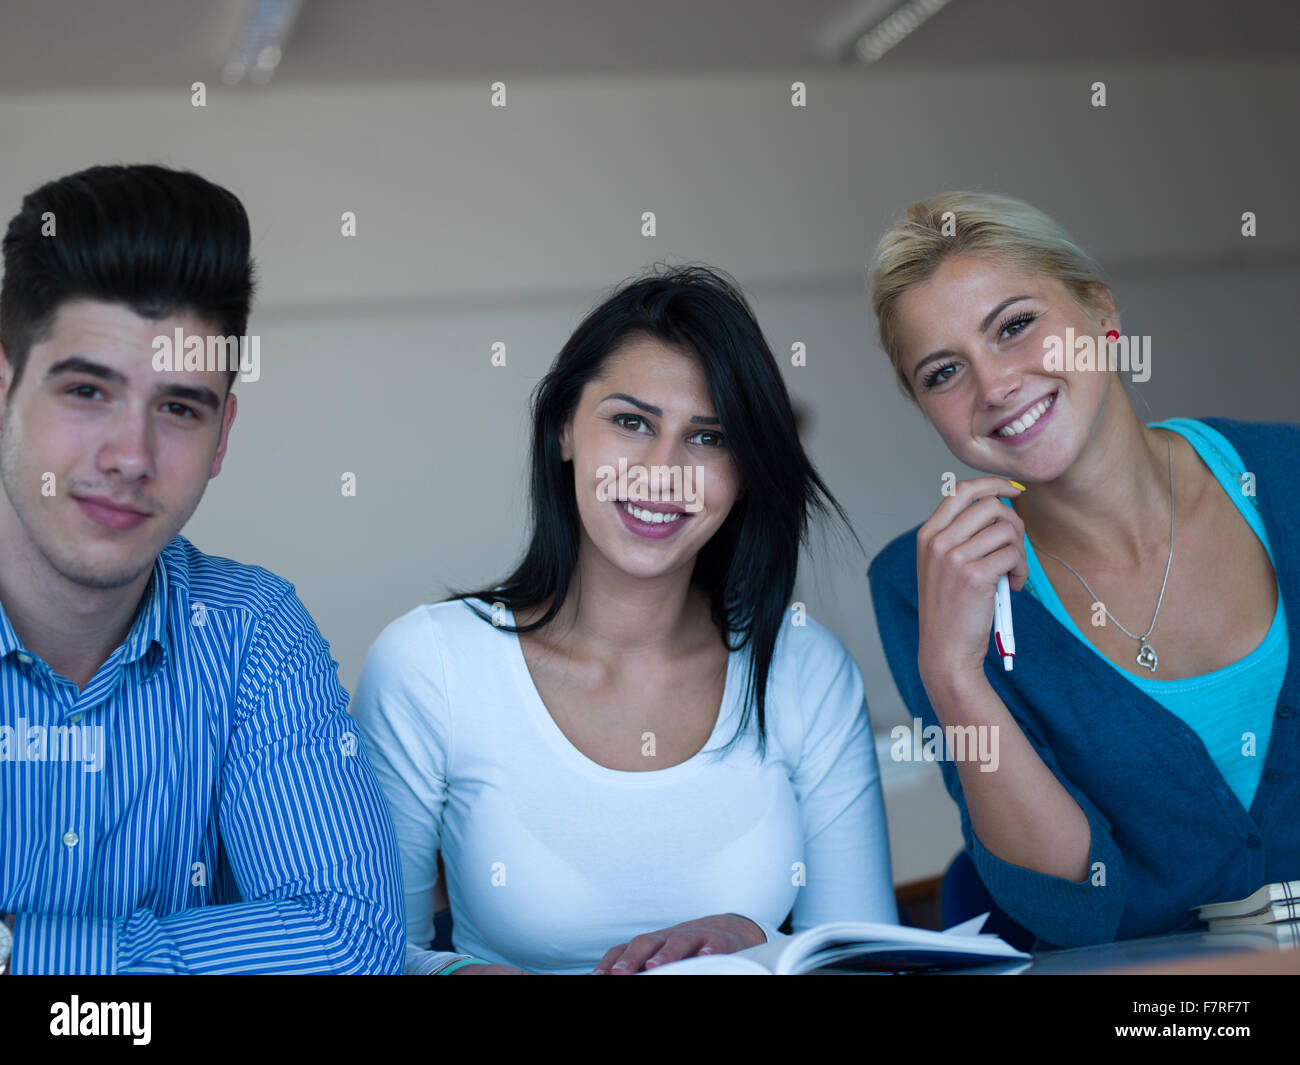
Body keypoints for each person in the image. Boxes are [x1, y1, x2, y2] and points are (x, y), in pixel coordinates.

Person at [352, 264, 897, 975]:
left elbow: (872, 963)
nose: (663, 469)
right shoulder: (429, 664)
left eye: (709, 437)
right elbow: (358, 956)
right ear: (563, 431)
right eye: (631, 421)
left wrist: (760, 941)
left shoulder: (806, 667)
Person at [865, 190, 1299, 948]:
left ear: (1101, 312)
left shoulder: (1287, 477)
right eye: (942, 372)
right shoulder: (920, 581)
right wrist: (952, 672)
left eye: (1015, 326)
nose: (994, 385)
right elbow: (1070, 909)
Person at [0, 164, 404, 974]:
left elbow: (350, 942)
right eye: (87, 390)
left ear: (221, 438)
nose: (131, 457)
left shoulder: (251, 631)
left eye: (179, 407)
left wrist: (18, 955)